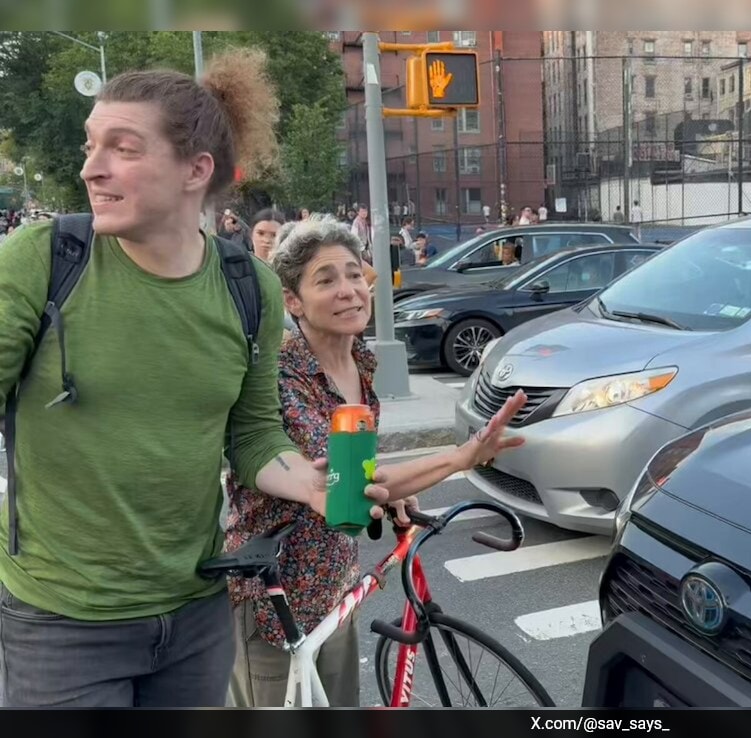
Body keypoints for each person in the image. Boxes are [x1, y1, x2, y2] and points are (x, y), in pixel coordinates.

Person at [0, 52, 392, 708]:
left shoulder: (251, 289)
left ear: (195, 169)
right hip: (61, 623)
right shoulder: (44, 259)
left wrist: (312, 484)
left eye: (122, 149)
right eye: (91, 146)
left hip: (195, 615)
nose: (91, 168)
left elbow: (254, 435)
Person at [223, 214, 527, 706]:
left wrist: (402, 493)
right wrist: (463, 456)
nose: (348, 290)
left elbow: (370, 470)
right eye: (326, 279)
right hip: (271, 598)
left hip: (333, 583)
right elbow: (349, 479)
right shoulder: (282, 373)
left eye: (352, 274)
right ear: (293, 301)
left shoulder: (360, 362)